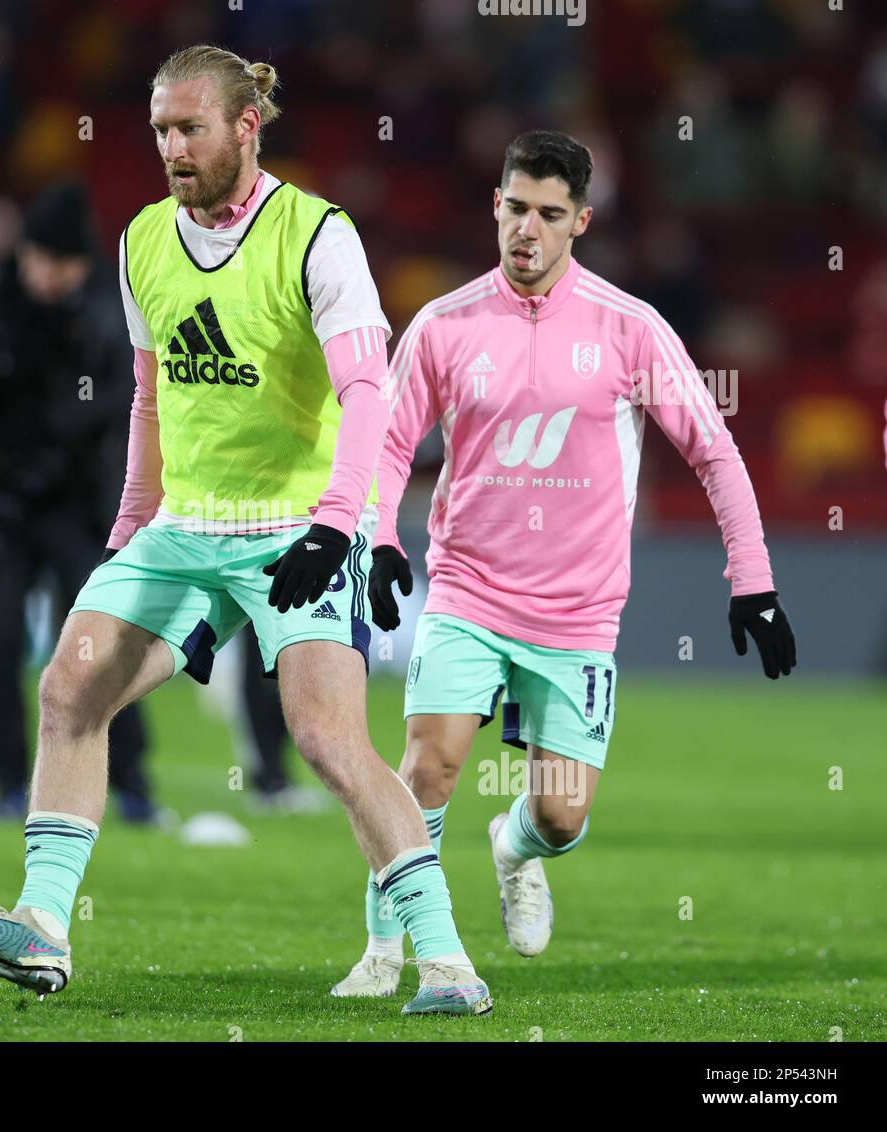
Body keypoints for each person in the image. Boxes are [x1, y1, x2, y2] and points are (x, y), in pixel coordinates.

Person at [0, 44, 492, 1017]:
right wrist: (128, 525)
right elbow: (149, 394)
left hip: (295, 532)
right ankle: (43, 929)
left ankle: (446, 963)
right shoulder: (142, 239)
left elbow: (368, 389)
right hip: (182, 532)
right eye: (158, 132)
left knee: (326, 741)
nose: (171, 149)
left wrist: (336, 524)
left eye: (188, 128)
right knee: (69, 687)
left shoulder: (317, 235)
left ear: (244, 126)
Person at [332, 130, 797, 998]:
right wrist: (380, 536)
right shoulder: (444, 323)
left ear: (580, 221)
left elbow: (716, 452)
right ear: (495, 207)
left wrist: (754, 581)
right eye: (516, 208)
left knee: (560, 810)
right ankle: (384, 950)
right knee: (426, 766)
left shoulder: (629, 329)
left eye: (550, 214)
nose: (528, 231)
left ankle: (514, 849)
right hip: (467, 590)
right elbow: (389, 443)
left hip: (576, 614)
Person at [0, 182, 160, 822]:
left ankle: (130, 782)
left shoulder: (111, 309)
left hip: (80, 508)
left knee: (98, 646)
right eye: (37, 259)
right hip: (4, 507)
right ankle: (4, 783)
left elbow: (119, 405)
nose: (45, 274)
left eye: (58, 262)